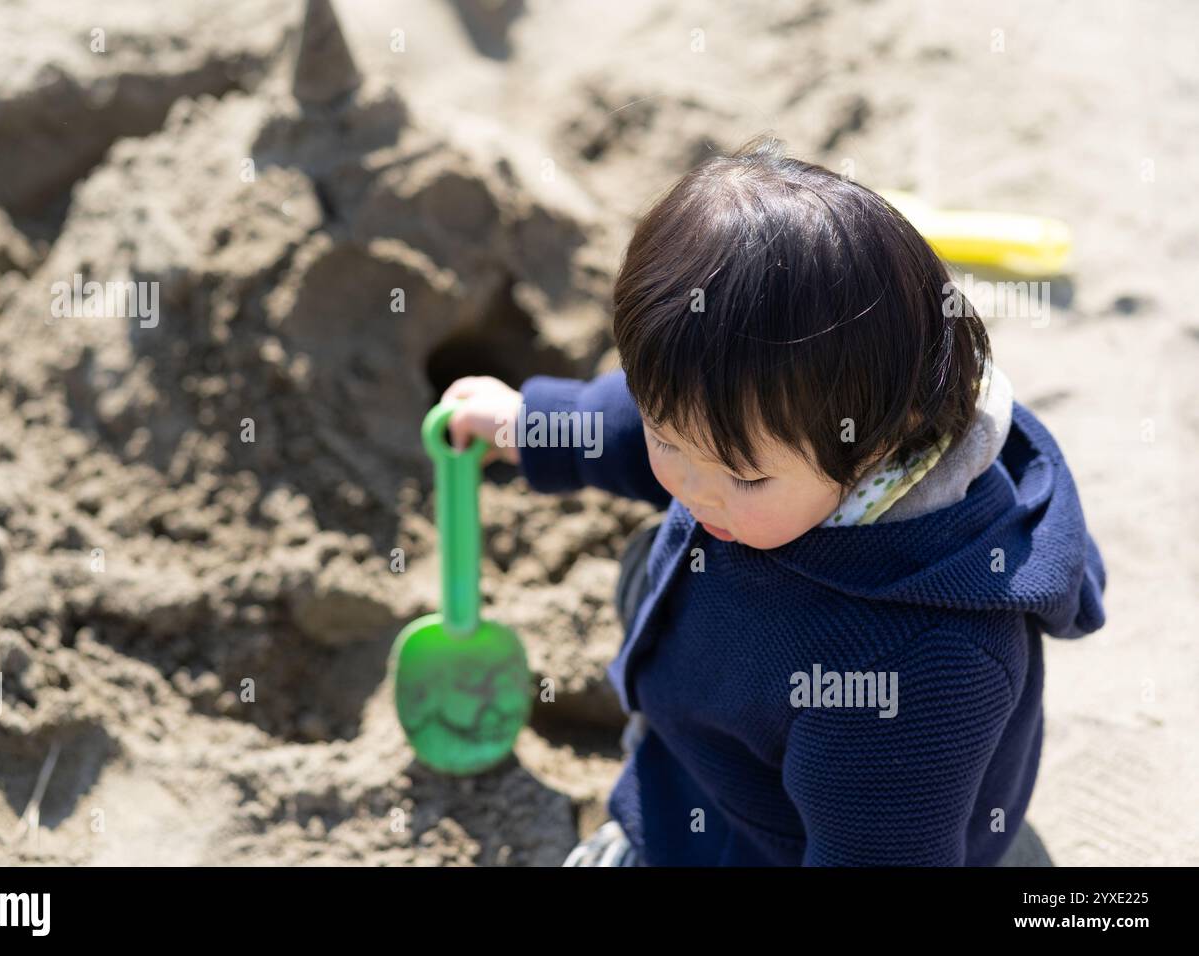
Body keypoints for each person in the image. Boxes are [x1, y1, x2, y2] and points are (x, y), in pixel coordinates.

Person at [440, 135, 1106, 866]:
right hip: (711, 722)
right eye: (671, 441)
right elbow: (650, 421)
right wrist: (535, 425)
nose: (692, 491)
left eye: (742, 476)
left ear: (878, 442)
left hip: (768, 839)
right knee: (662, 534)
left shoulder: (915, 671)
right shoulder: (762, 438)